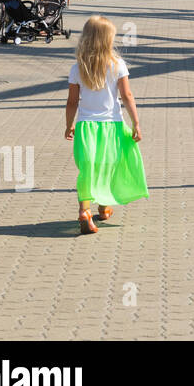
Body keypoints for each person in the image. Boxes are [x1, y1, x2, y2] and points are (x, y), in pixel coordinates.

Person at [64, 15, 148, 235]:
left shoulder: (77, 68)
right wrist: (136, 123)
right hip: (112, 126)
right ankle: (102, 205)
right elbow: (127, 95)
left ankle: (86, 210)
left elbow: (72, 102)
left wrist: (68, 125)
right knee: (108, 164)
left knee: (88, 168)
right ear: (108, 40)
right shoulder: (117, 65)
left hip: (86, 126)